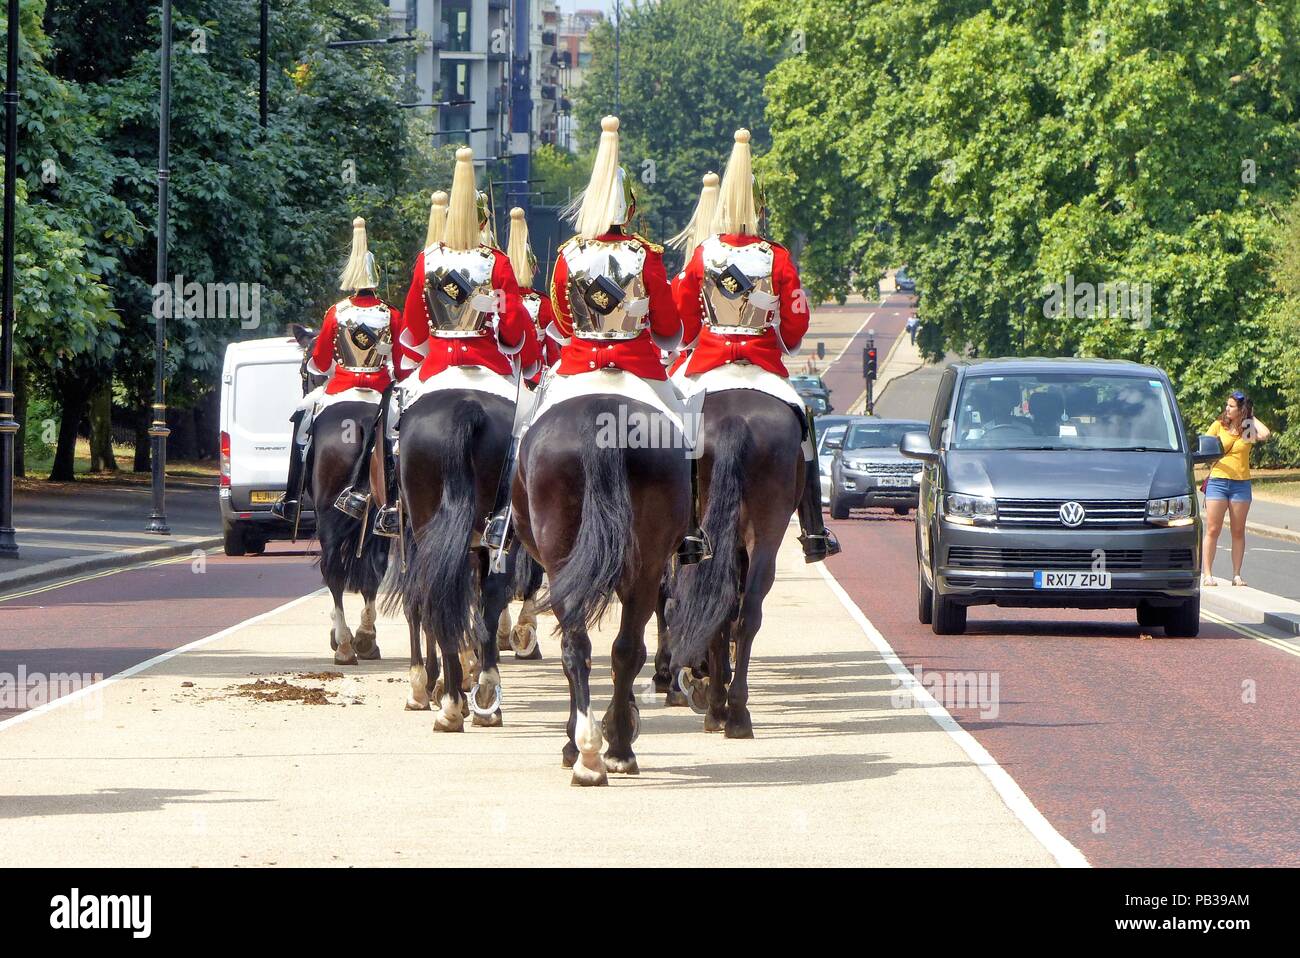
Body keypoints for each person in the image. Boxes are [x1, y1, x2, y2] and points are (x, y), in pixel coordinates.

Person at [483, 116, 699, 558]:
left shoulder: (567, 255)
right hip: (640, 372)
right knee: (687, 431)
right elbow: (669, 332)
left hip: (577, 369)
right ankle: (691, 531)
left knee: (525, 431)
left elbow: (562, 324)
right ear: (630, 208)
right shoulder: (646, 255)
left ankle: (506, 520)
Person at [675, 129, 840, 562]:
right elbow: (794, 327)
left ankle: (687, 527)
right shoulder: (777, 257)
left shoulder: (702, 255)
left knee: (676, 433)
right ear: (760, 209)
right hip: (764, 368)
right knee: (803, 426)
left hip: (708, 367)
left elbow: (685, 325)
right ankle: (814, 528)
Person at [381, 146, 541, 537]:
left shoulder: (427, 261)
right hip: (491, 371)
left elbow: (413, 334)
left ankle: (392, 505)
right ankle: (506, 515)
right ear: (484, 219)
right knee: (528, 425)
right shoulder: (497, 262)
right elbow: (514, 334)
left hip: (434, 369)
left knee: (391, 426)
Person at [273, 217, 405, 526]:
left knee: (302, 420)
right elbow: (400, 364)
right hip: (379, 393)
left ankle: (291, 498)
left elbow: (319, 363)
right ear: (375, 279)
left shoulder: (337, 312)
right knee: (399, 438)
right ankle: (394, 503)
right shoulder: (391, 314)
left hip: (340, 390)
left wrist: (324, 365)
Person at [1202, 389, 1271, 587]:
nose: (1227, 408)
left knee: (1238, 531)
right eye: (1227, 405)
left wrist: (1250, 415)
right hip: (1218, 481)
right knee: (1213, 529)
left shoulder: (1247, 428)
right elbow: (1205, 449)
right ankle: (1208, 574)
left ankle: (1236, 575)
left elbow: (1265, 434)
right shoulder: (1218, 426)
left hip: (1241, 484)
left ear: (1241, 409)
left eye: (1232, 406)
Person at [505, 207, 562, 379]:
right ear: (532, 268)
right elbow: (552, 350)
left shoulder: (498, 300)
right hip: (535, 374)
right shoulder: (544, 303)